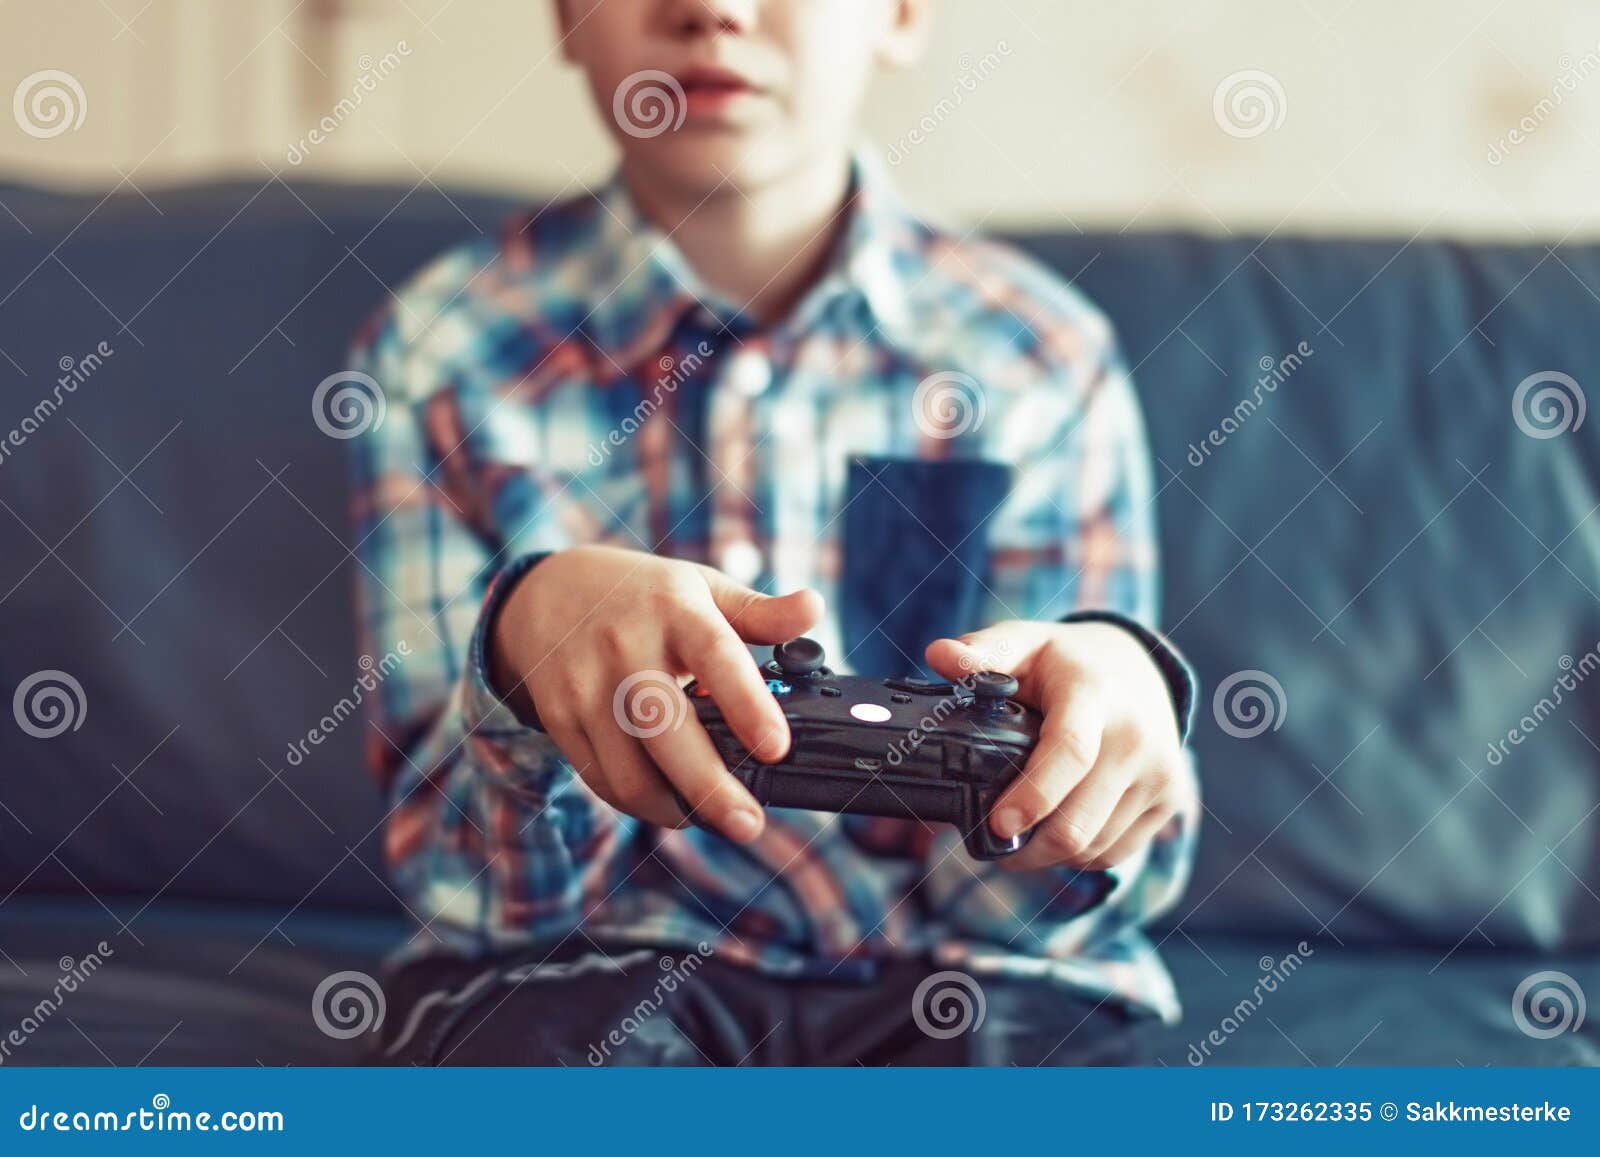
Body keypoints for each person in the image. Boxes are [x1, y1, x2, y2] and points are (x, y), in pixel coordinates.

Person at [351, 0, 1200, 1065]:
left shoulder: (1039, 357)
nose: (711, 10)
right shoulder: (440, 353)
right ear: (568, 15)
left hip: (969, 973)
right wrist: (519, 660)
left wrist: (1100, 737)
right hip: (589, 966)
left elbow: (1019, 911)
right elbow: (470, 890)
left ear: (897, 14)